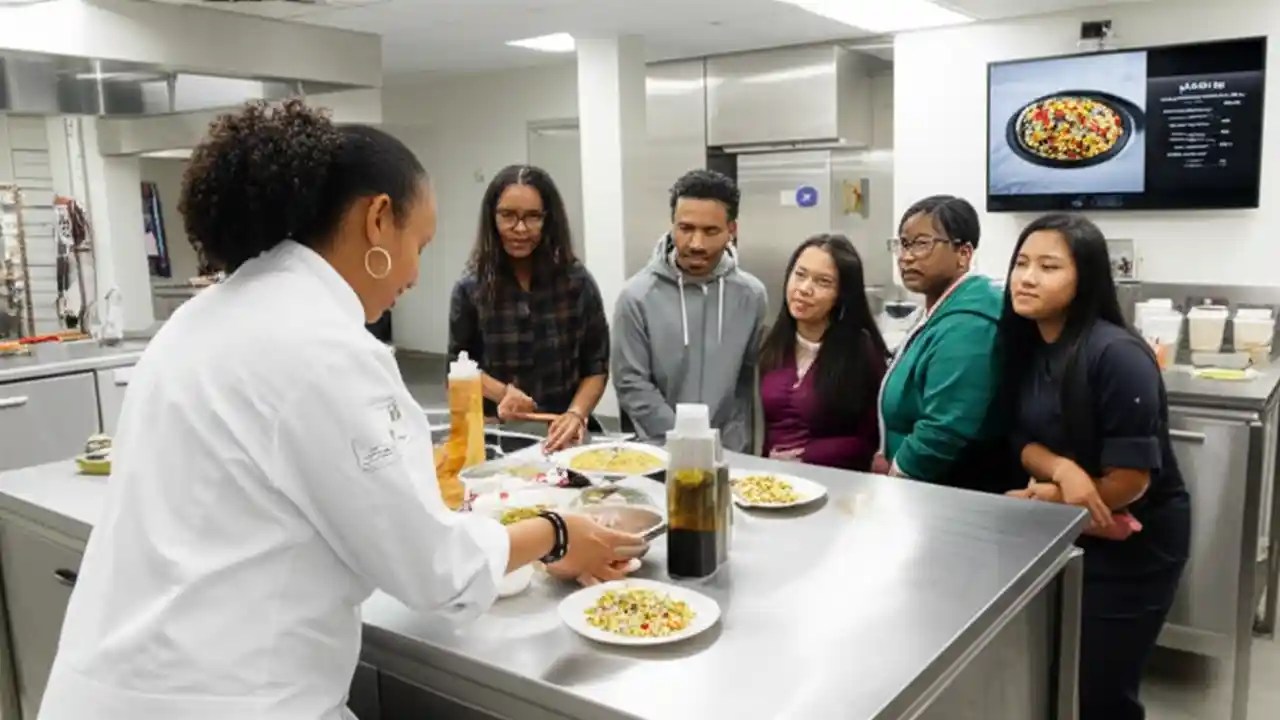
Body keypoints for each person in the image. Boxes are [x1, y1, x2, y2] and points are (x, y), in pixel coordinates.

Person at [38, 100, 642, 720]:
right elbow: (433, 568)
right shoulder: (326, 349)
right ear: (379, 219)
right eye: (420, 243)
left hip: (108, 689)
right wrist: (557, 531)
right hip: (227, 697)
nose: (414, 273)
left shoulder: (199, 319)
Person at [1000, 213, 1190, 720]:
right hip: (1070, 532)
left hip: (1135, 545)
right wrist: (1061, 469)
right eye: (1021, 263)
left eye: (1048, 266)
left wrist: (1048, 496)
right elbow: (1020, 438)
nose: (1027, 278)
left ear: (1084, 279)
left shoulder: (1117, 355)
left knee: (1100, 694)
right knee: (1057, 682)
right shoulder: (1027, 343)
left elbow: (1131, 480)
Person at [449, 165, 609, 452]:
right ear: (492, 217)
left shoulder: (577, 283)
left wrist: (576, 414)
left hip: (564, 433)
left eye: (533, 217)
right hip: (497, 434)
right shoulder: (471, 287)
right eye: (508, 216)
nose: (520, 229)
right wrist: (502, 394)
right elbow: (456, 366)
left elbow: (596, 367)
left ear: (549, 220)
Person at [612, 169, 767, 452]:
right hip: (660, 452)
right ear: (672, 225)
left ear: (732, 230)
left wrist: (733, 444)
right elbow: (631, 383)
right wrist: (686, 440)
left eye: (710, 231)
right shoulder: (636, 297)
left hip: (730, 454)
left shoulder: (751, 296)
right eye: (686, 228)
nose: (697, 244)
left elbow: (748, 384)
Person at [875, 195, 1006, 489]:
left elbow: (945, 428)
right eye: (903, 244)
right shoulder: (941, 310)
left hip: (948, 490)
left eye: (922, 244)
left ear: (964, 253)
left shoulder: (970, 324)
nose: (906, 257)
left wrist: (896, 476)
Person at [759, 234, 888, 470]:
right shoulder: (768, 343)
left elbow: (874, 439)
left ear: (842, 294)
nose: (804, 289)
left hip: (832, 485)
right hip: (766, 484)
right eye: (800, 275)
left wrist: (809, 454)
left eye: (823, 282)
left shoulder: (860, 351)